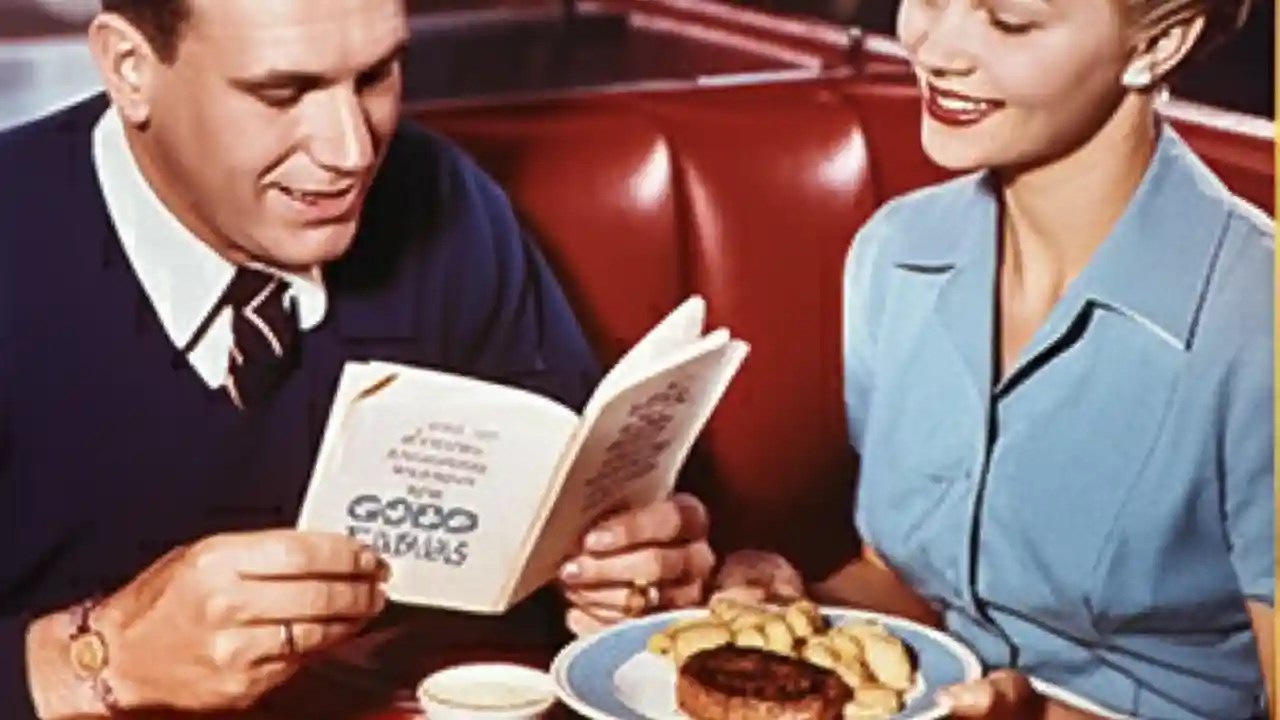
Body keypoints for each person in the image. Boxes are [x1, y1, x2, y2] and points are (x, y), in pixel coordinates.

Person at [0, 0, 716, 717]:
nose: (351, 150)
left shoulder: (445, 202)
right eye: (281, 94)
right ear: (130, 69)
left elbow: (577, 546)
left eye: (376, 75)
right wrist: (99, 656)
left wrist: (626, 579)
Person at [713, 0, 1274, 718]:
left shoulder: (1256, 317)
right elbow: (905, 584)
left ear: (1158, 45)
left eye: (1008, 21)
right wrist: (787, 606)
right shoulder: (894, 252)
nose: (935, 47)